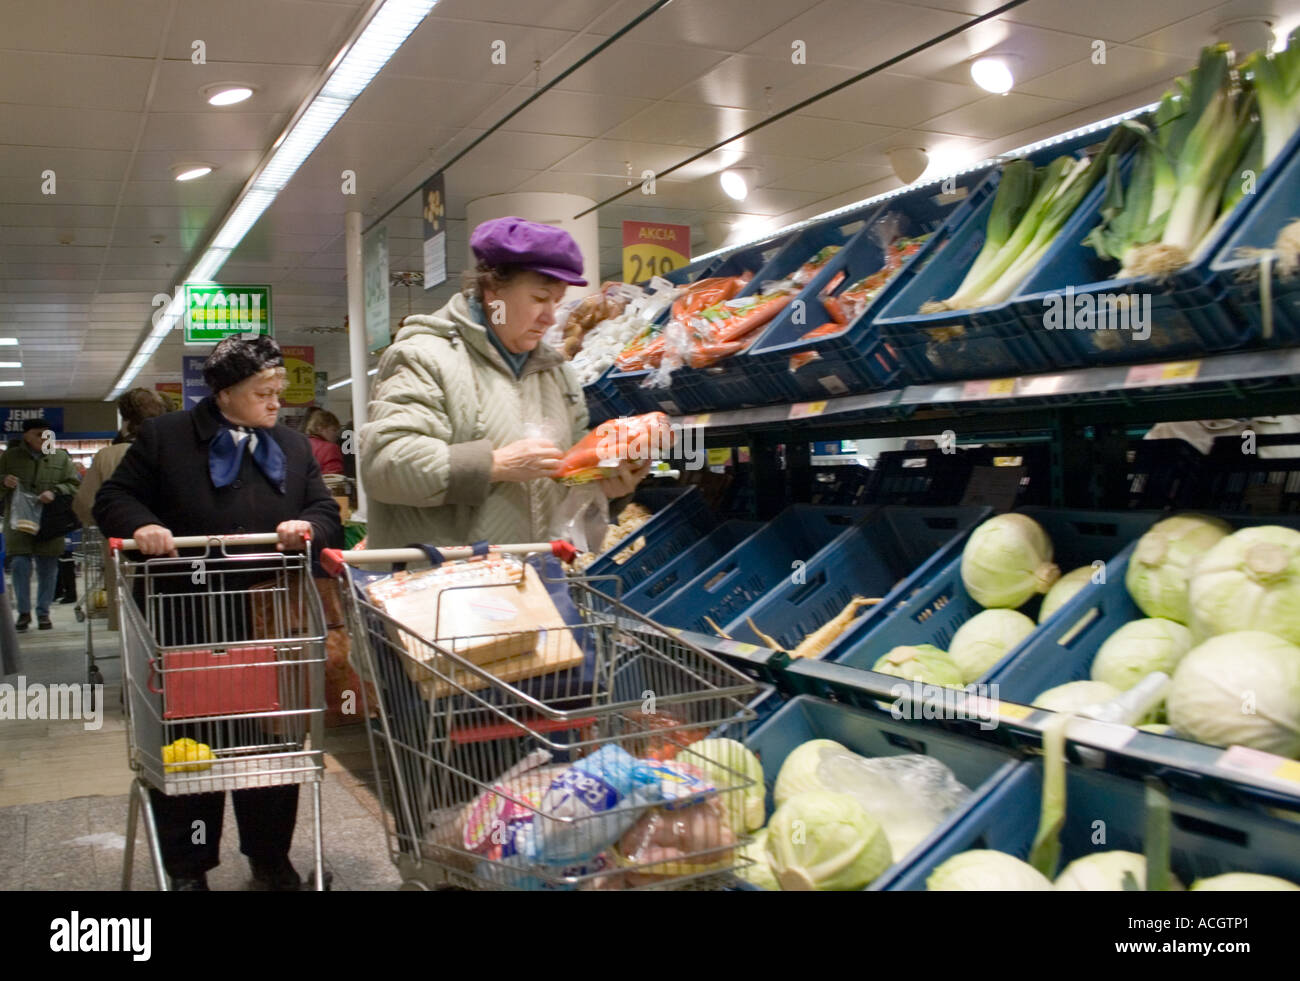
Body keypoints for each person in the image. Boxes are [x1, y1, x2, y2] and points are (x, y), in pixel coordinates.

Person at [93, 336, 342, 891]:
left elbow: (325, 511)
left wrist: (308, 529)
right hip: (185, 618)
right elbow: (113, 499)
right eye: (264, 392)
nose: (277, 403)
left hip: (268, 619)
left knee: (271, 751)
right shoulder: (165, 438)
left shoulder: (293, 448)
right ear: (225, 393)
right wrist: (141, 526)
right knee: (193, 753)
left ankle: (269, 858)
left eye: (280, 392)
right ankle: (190, 866)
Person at [361, 216, 649, 549]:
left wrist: (602, 486)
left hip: (529, 585)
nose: (550, 316)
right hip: (443, 590)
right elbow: (385, 464)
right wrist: (495, 464)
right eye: (539, 298)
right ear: (492, 291)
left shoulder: (557, 375)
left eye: (556, 301)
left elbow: (565, 483)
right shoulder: (423, 356)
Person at [72, 388, 168, 630]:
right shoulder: (177, 449)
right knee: (172, 611)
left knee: (130, 614)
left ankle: (134, 662)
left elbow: (85, 505)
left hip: (123, 547)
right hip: (172, 547)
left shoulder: (108, 456)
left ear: (124, 419)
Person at [0, 419, 80, 631]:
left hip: (50, 521)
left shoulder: (61, 457)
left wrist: (55, 491)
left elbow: (74, 484)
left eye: (47, 434)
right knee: (19, 565)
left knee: (48, 569)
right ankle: (24, 613)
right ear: (26, 435)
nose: (44, 438)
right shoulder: (9, 457)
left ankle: (43, 613)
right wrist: (3, 481)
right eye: (38, 434)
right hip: (19, 521)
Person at [302, 408, 344, 476]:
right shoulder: (330, 448)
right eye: (334, 430)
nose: (336, 434)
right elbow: (334, 480)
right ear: (320, 428)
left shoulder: (301, 445)